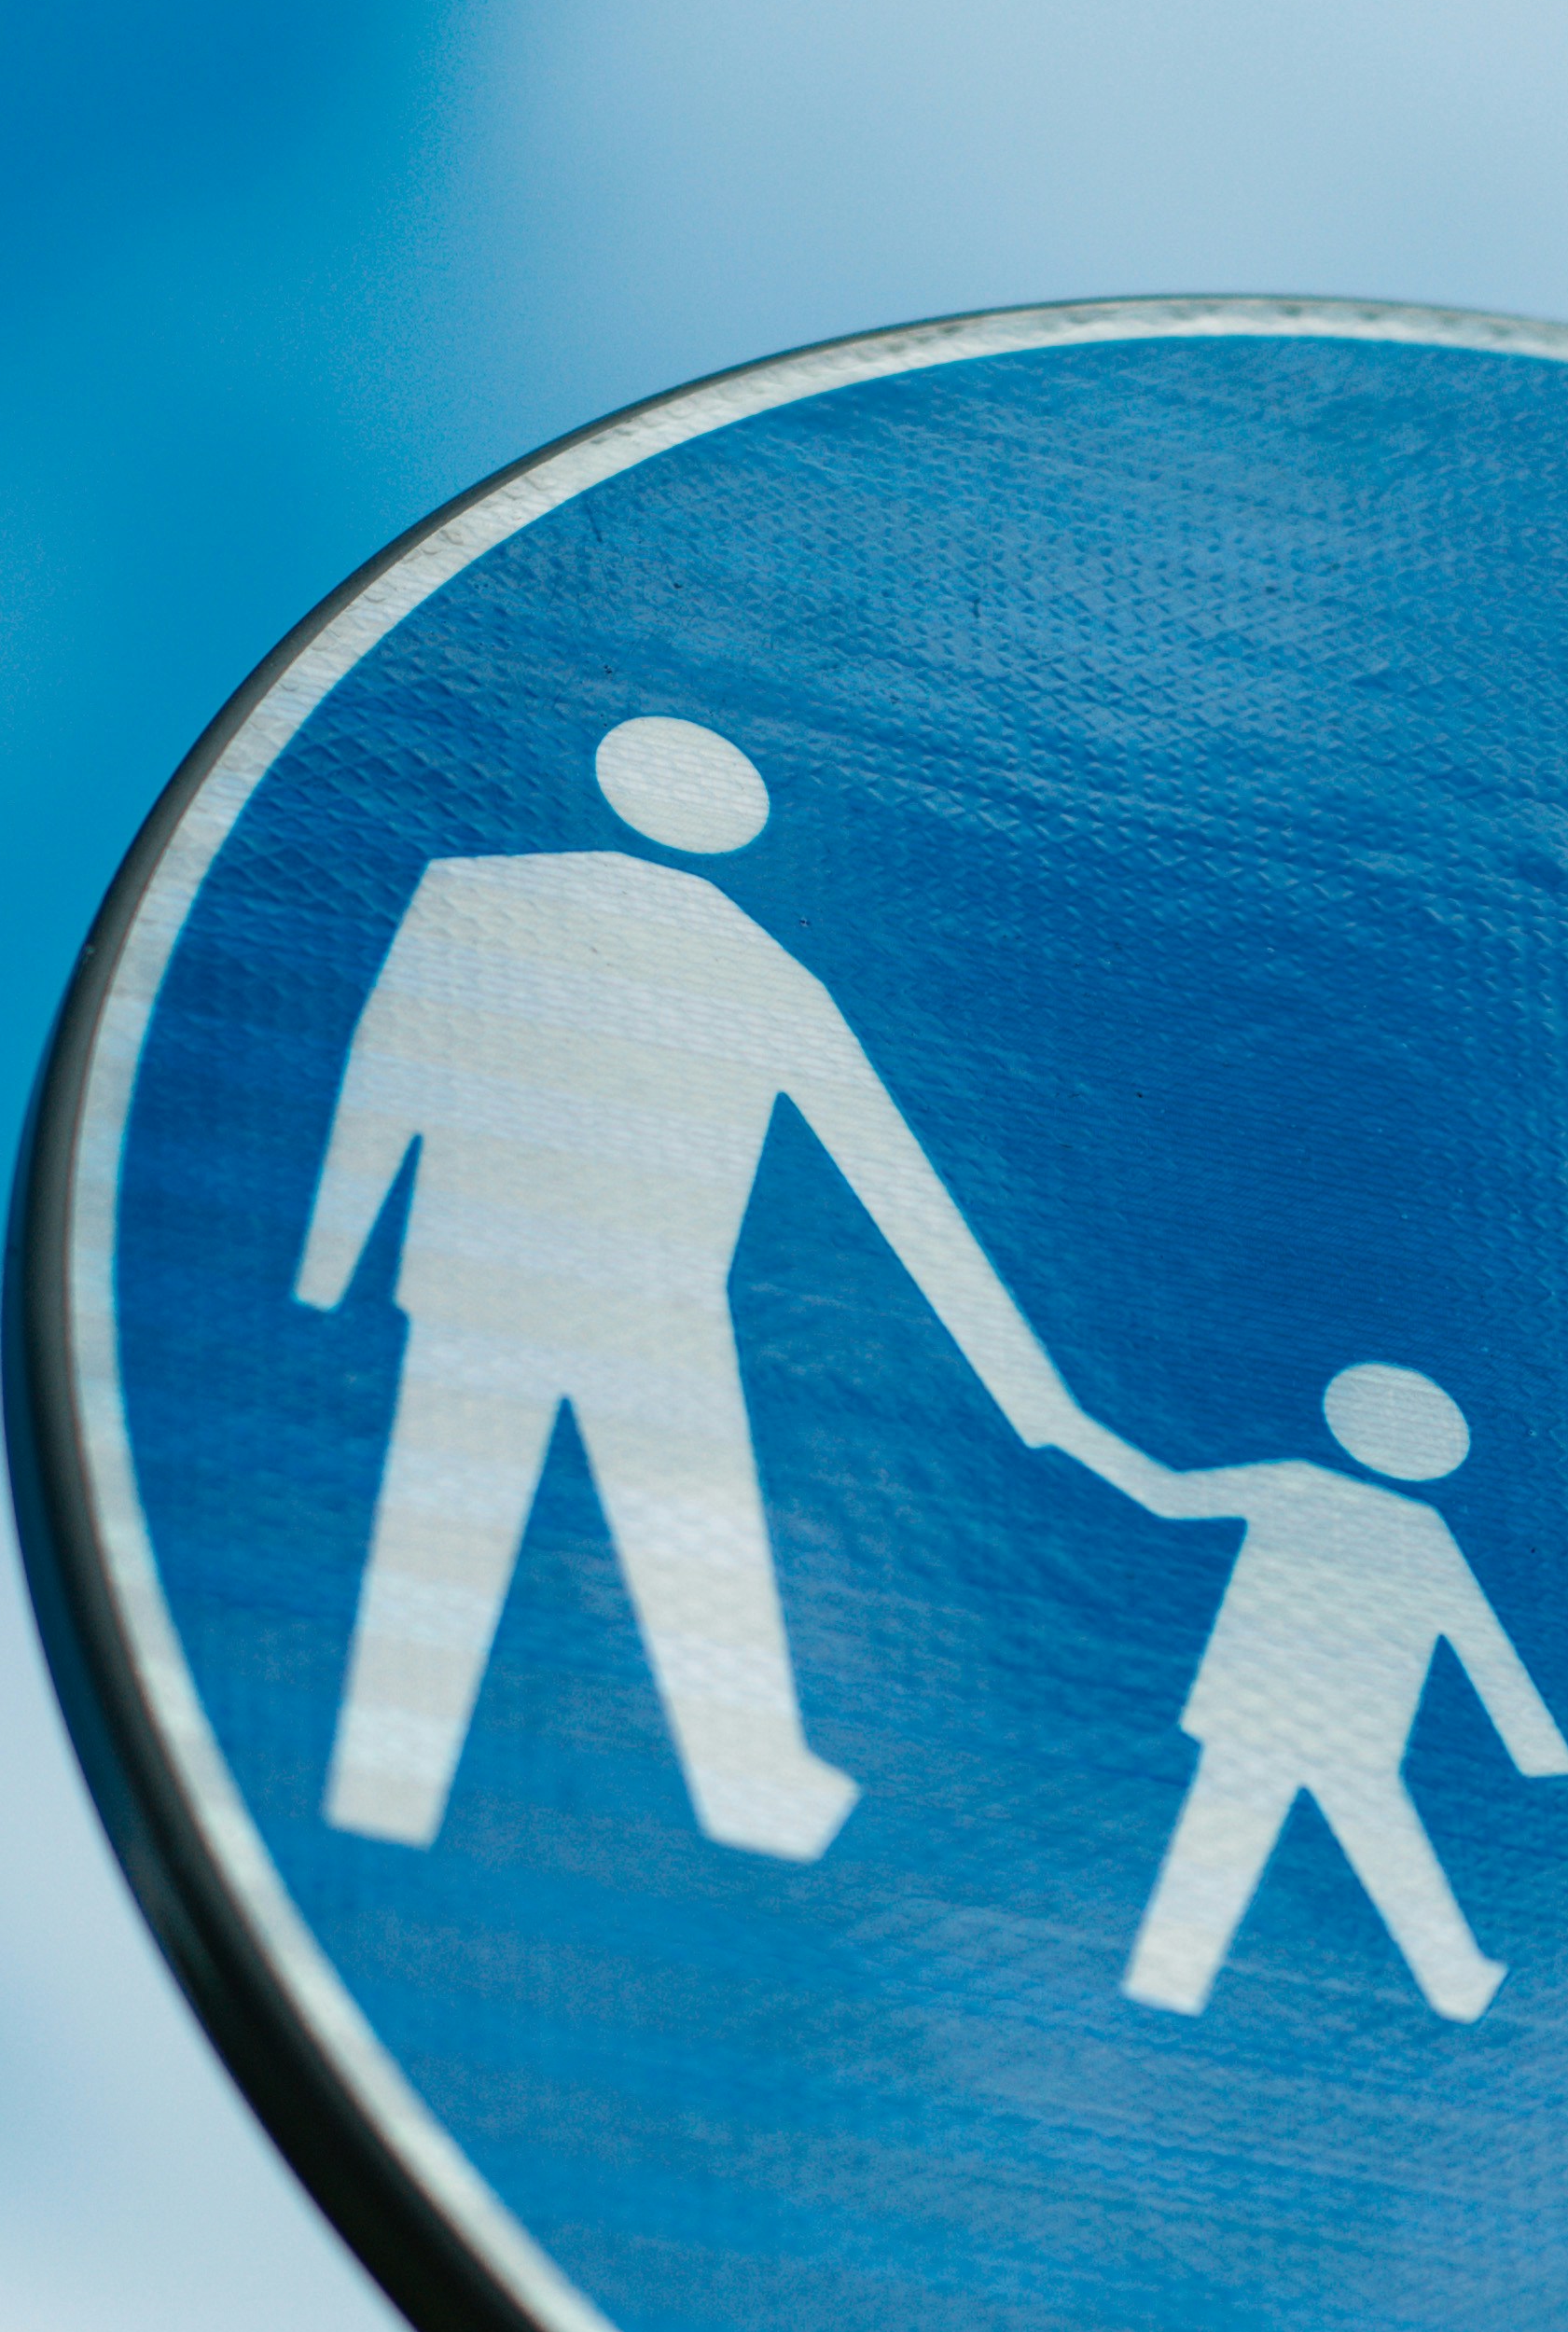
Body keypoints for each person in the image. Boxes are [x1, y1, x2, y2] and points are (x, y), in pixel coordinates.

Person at [289, 711, 1136, 1856]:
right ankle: (742, 1787)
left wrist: (329, 1256)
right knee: (683, 1531)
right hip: (638, 1301)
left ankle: (402, 1768)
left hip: (499, 1280)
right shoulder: (761, 969)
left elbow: (383, 1075)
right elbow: (907, 1200)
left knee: (473, 1519)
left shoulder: (484, 893)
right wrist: (1032, 1397)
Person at [1112, 1366, 1568, 2022]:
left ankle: (1170, 1972)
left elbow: (1162, 1491)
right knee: (1382, 1849)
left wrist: (1078, 1436)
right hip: (1353, 1726)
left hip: (1259, 1707)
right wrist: (1538, 1752)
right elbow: (1483, 1648)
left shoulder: (1296, 1486)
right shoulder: (1420, 1531)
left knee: (1229, 1839)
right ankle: (1455, 1980)